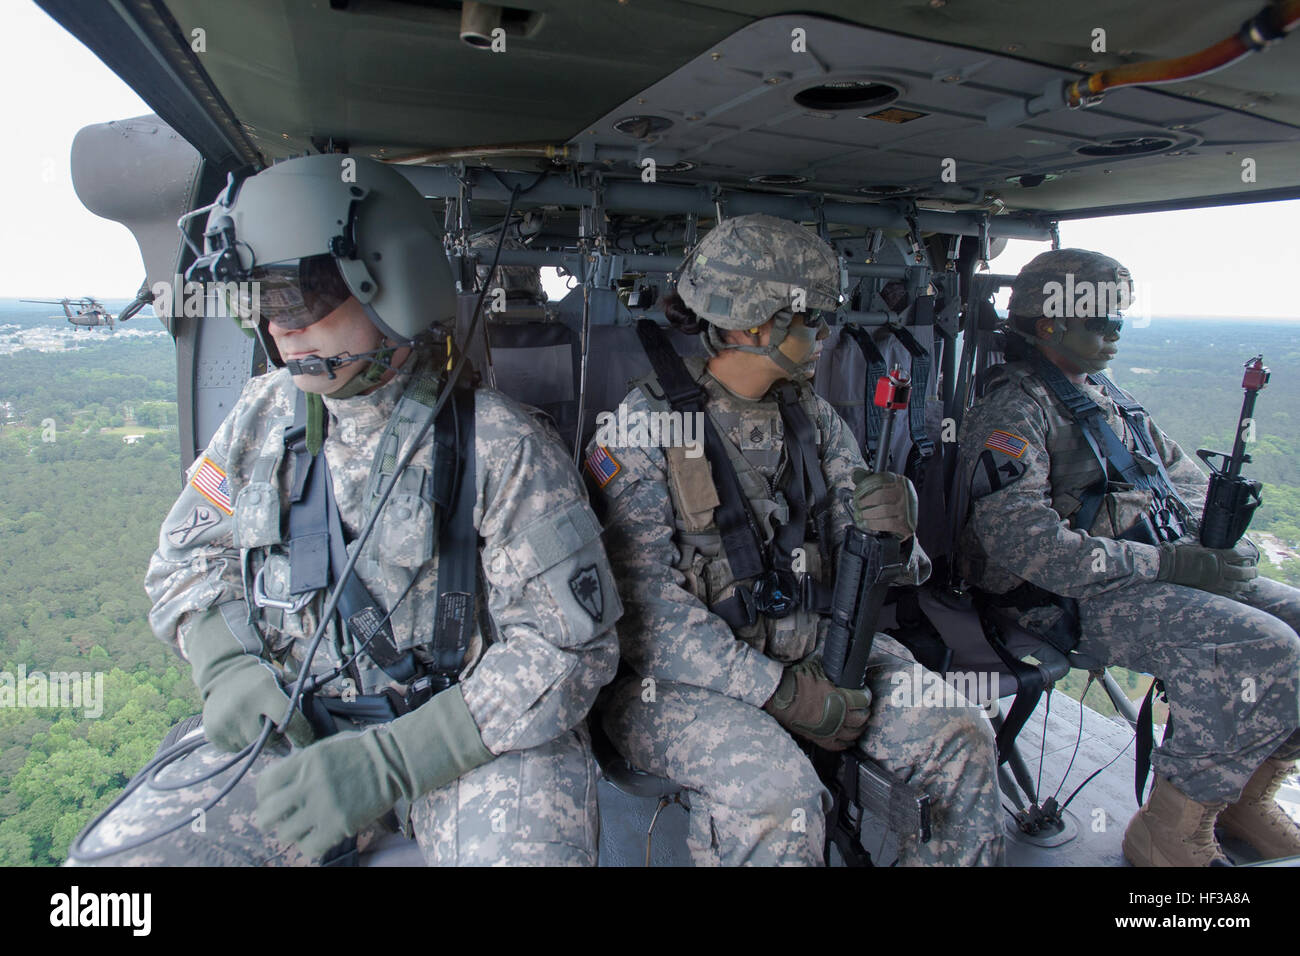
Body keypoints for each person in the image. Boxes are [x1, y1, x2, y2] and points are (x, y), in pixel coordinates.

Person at [69, 154, 621, 866]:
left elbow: (567, 648)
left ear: (391, 282)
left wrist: (393, 764)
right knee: (111, 876)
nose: (279, 331)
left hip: (466, 741)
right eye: (259, 303)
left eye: (297, 299)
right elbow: (187, 561)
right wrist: (230, 668)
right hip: (300, 730)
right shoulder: (261, 418)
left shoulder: (504, 443)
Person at [584, 213, 1004, 866]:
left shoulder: (810, 418)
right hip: (676, 684)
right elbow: (645, 621)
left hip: (824, 646)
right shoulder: (638, 432)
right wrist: (780, 692)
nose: (826, 334)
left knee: (963, 736)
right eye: (814, 319)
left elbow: (871, 557)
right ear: (759, 324)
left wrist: (897, 531)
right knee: (780, 797)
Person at [955, 248, 1300, 867]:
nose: (1113, 335)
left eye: (1119, 322)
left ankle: (1245, 799)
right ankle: (1168, 833)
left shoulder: (1105, 398)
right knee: (1256, 645)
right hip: (1055, 599)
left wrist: (1215, 544)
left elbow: (1179, 476)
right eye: (1099, 323)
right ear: (1047, 324)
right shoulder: (1015, 409)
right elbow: (1024, 547)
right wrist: (1169, 566)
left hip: (1138, 571)